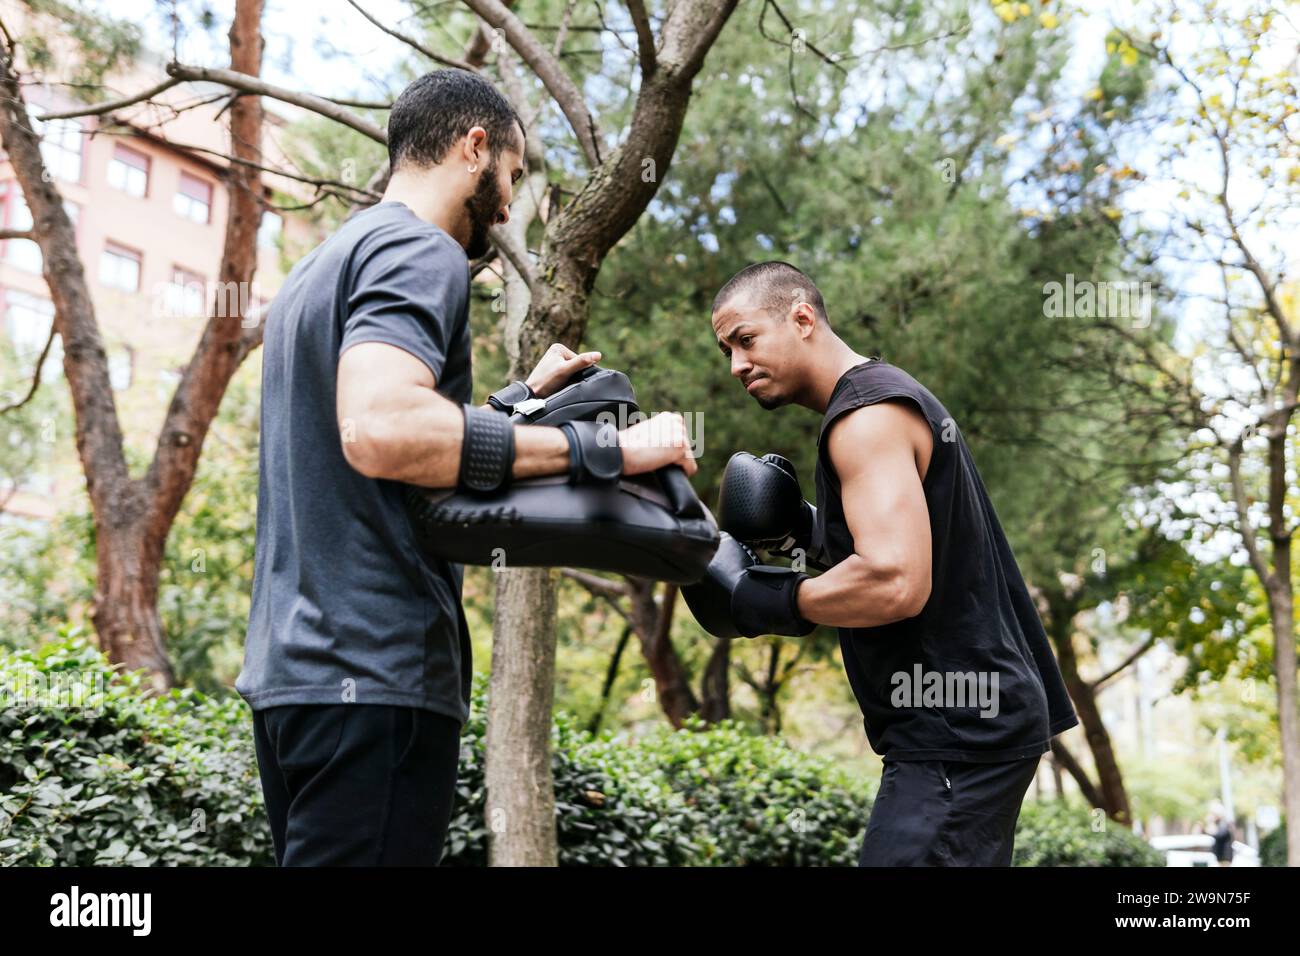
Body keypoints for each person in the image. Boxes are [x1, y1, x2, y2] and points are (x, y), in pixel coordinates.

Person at [235, 69, 696, 866]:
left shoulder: (322, 266)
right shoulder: (421, 247)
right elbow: (382, 430)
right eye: (512, 177)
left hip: (294, 678)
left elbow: (376, 442)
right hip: (375, 668)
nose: (510, 207)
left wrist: (516, 400)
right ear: (473, 146)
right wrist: (607, 450)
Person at [701, 260, 1079, 866]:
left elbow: (896, 582)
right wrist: (805, 526)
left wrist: (764, 599)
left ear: (802, 318)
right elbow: (915, 547)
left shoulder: (865, 418)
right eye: (727, 350)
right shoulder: (877, 401)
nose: (736, 365)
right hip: (965, 726)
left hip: (958, 734)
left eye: (746, 340)